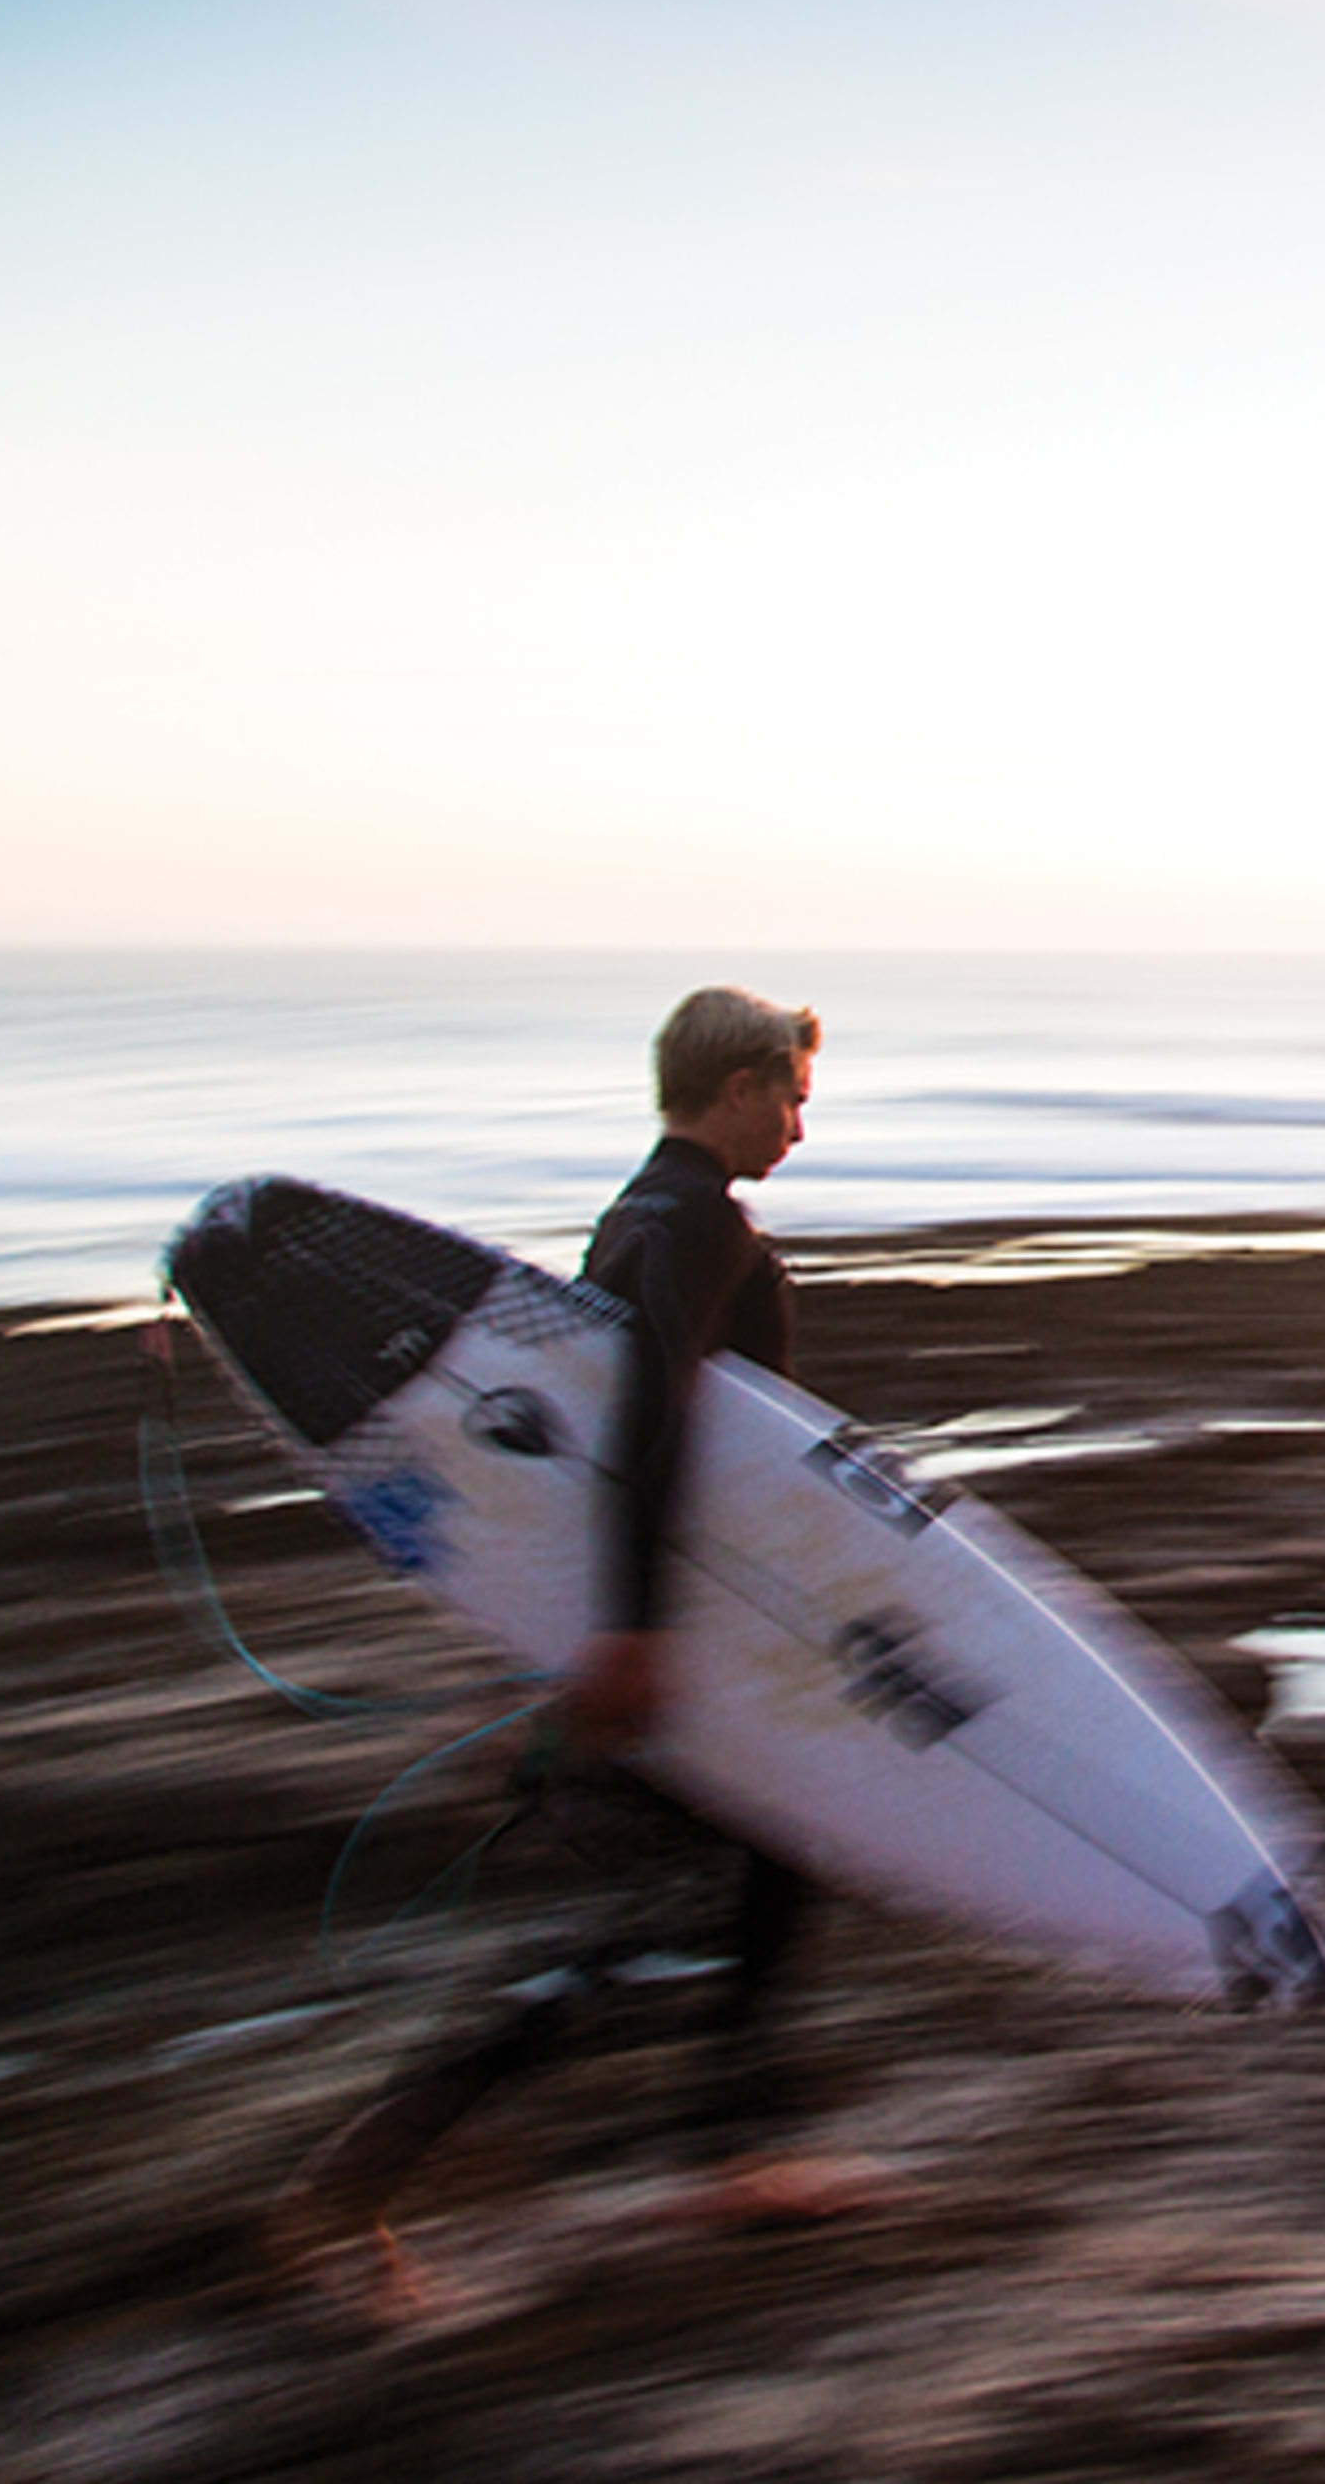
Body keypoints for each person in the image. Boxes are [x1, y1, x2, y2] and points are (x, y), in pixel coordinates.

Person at [268, 986, 891, 2323]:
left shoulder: (632, 1218)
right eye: (788, 1096)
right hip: (664, 1626)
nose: (797, 1123)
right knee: (641, 1929)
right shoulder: (698, 1232)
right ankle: (353, 2186)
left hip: (662, 1616)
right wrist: (625, 1633)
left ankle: (728, 2149)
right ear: (732, 1088)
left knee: (769, 1869)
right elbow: (647, 1436)